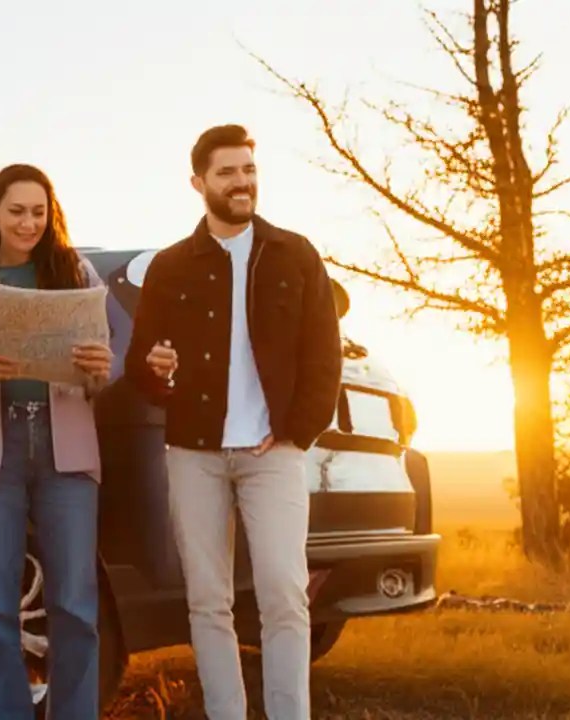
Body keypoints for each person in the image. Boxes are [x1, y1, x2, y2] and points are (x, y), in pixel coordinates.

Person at [123, 125, 343, 720]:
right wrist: (154, 366)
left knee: (284, 596)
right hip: (192, 455)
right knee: (208, 602)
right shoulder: (168, 268)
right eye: (227, 172)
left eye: (249, 169)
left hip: (274, 454)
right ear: (199, 183)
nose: (242, 181)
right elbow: (141, 368)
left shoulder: (296, 255)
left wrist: (298, 429)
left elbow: (325, 355)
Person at [0, 163, 114, 720]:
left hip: (67, 451)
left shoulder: (75, 272)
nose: (29, 222)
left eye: (39, 211)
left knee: (76, 607)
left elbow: (100, 371)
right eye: (17, 211)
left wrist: (97, 366)